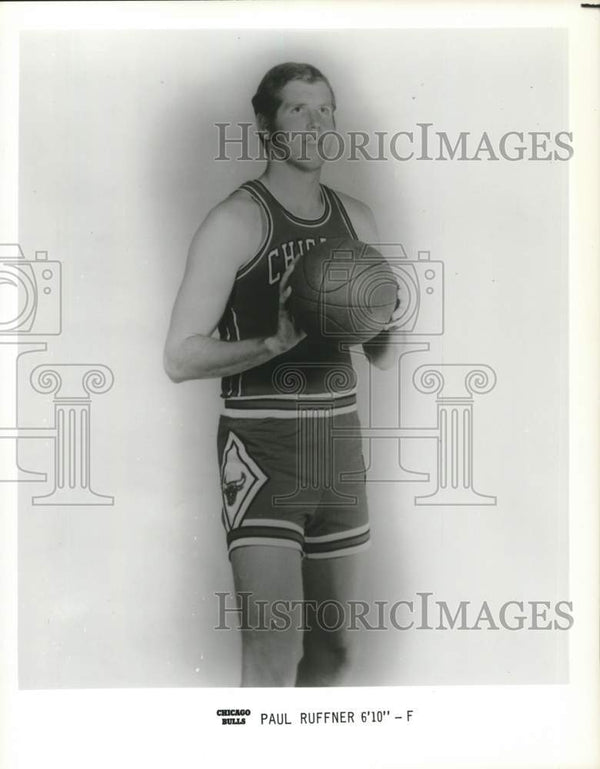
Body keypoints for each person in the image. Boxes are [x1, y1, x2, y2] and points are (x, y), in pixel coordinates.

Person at [164, 62, 401, 686]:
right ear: (267, 127)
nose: (316, 121)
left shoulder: (359, 221)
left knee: (337, 651)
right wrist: (274, 341)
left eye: (325, 109)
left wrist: (380, 320)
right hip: (262, 445)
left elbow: (380, 353)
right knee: (271, 653)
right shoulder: (235, 221)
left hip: (339, 444)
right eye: (299, 110)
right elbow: (180, 357)